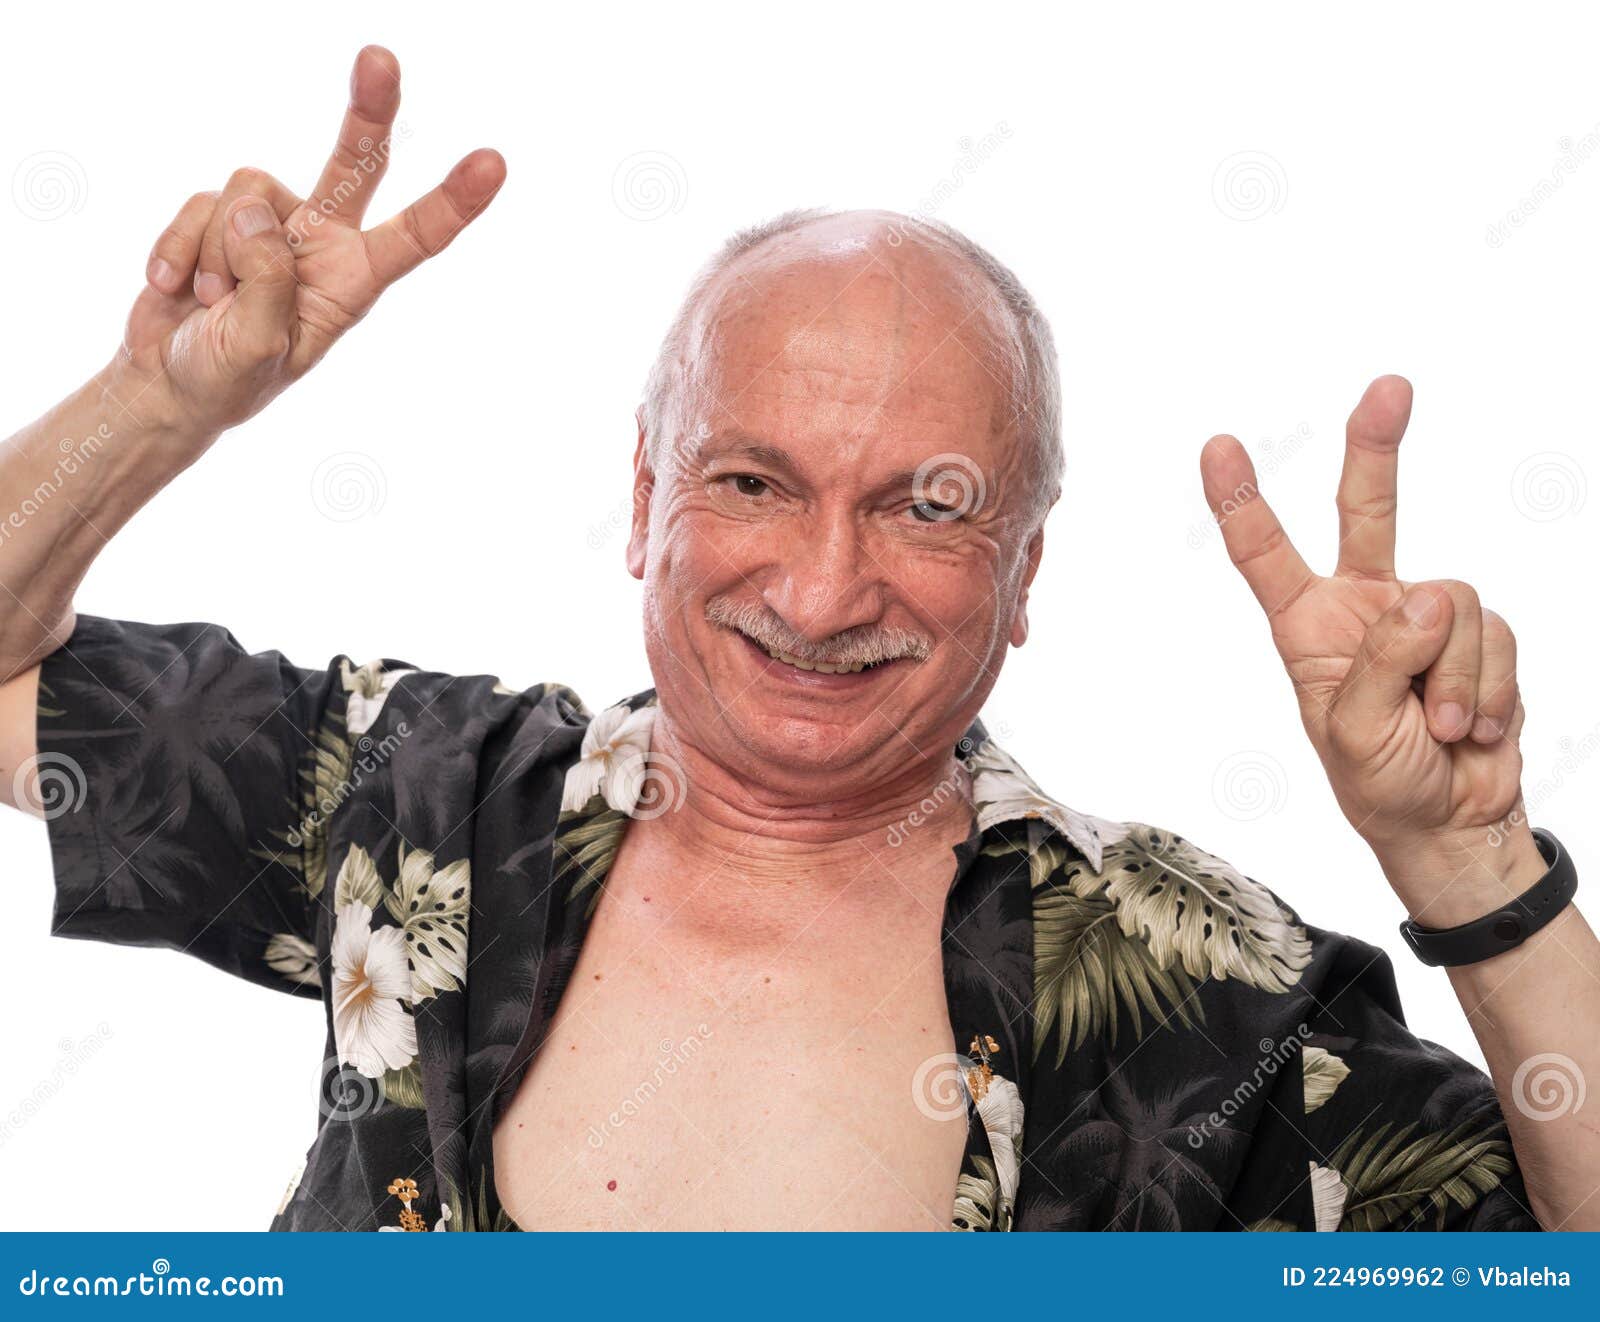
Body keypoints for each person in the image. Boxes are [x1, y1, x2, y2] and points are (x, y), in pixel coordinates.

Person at [3, 46, 1595, 1233]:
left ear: (1026, 571)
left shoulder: (1197, 986)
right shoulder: (417, 799)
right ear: (644, 502)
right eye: (756, 481)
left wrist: (1468, 862)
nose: (826, 592)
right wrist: (159, 408)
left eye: (926, 508)